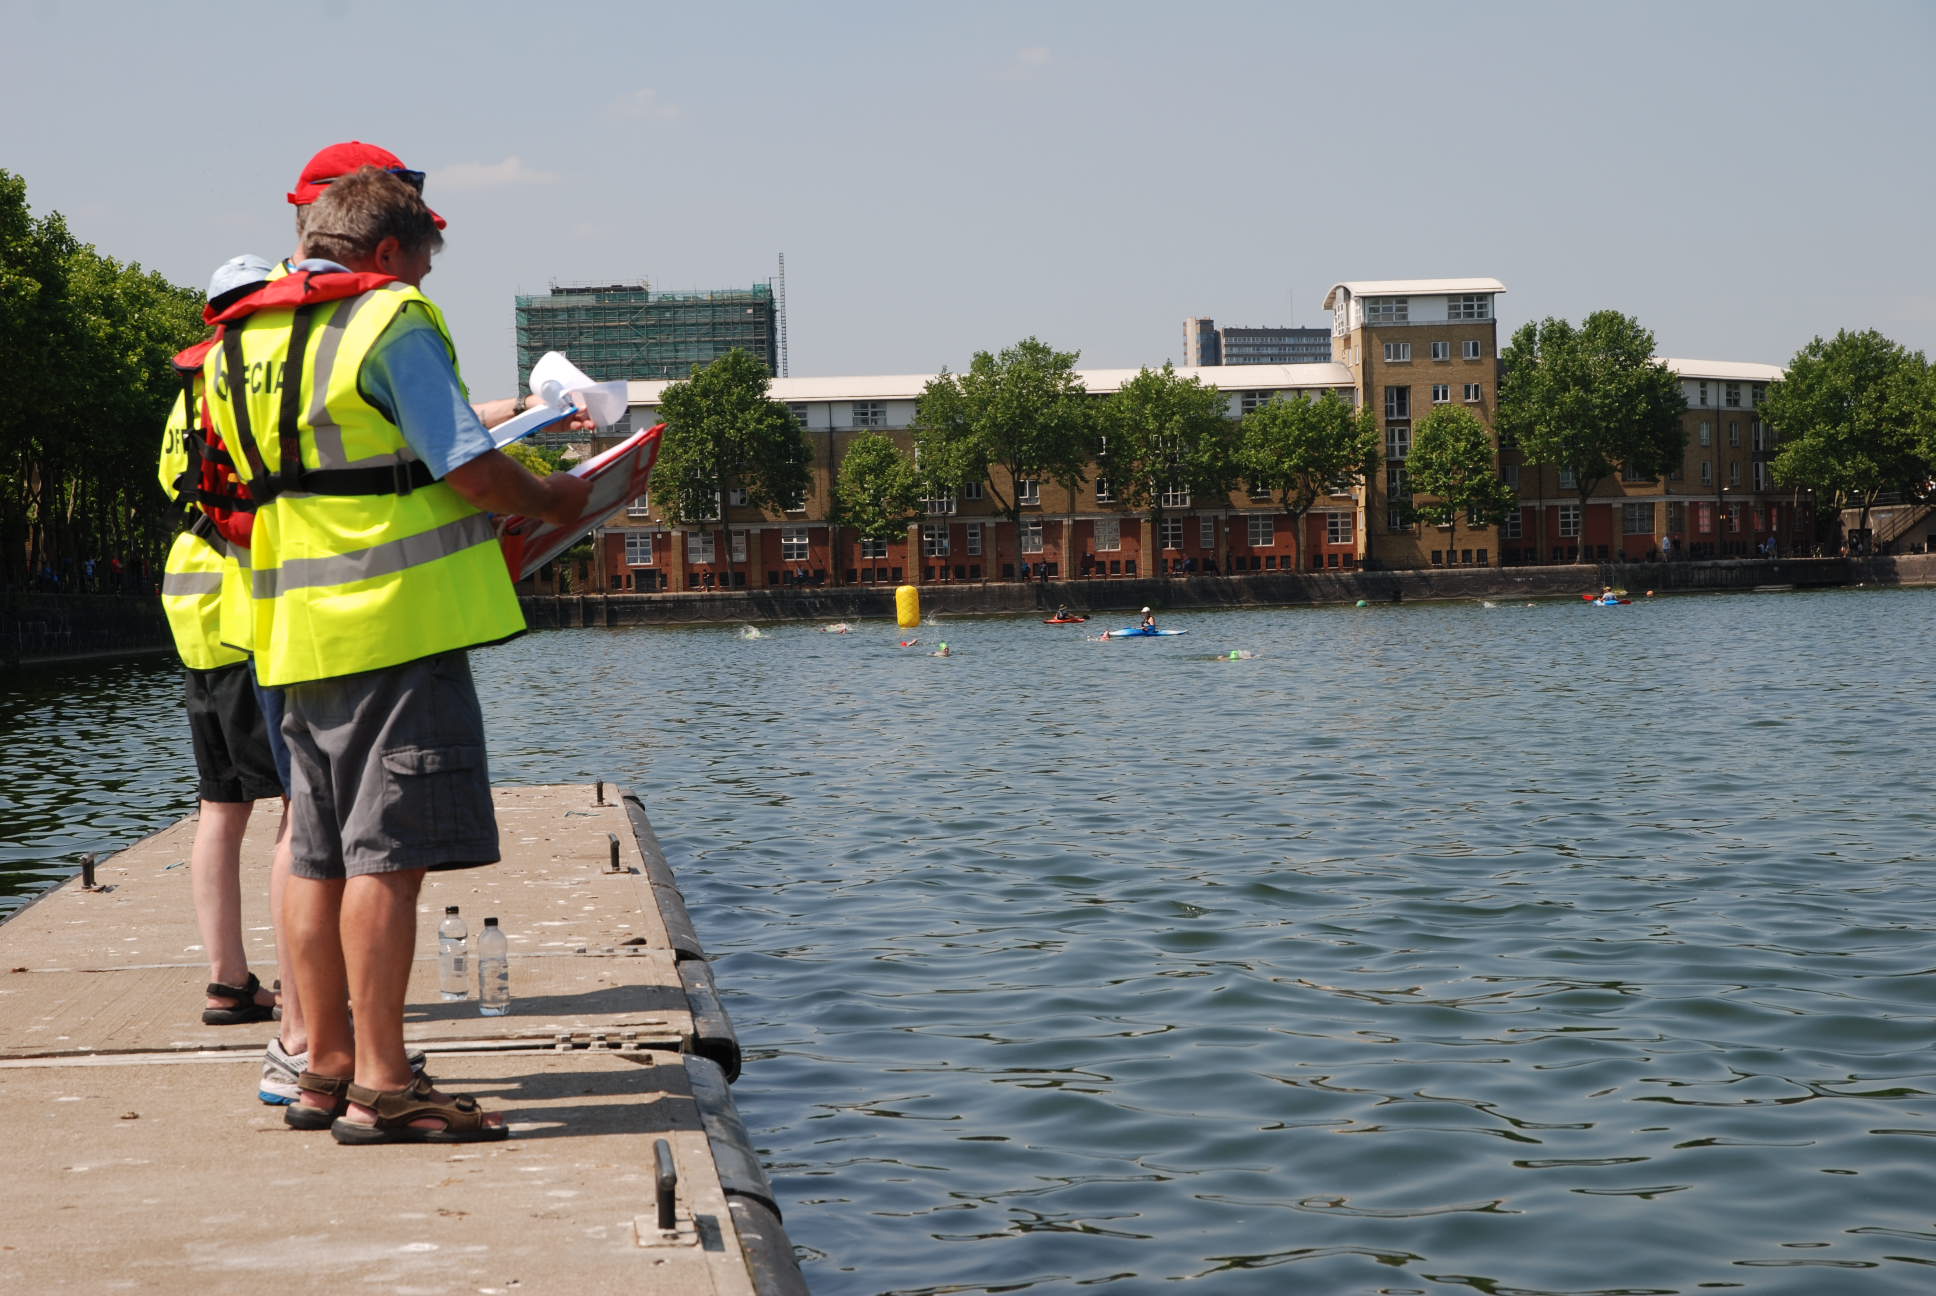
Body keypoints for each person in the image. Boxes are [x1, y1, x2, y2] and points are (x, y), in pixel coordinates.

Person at [206, 167, 591, 1143]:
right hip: (395, 624)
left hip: (291, 630)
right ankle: (384, 1083)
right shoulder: (391, 320)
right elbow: (465, 465)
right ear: (387, 254)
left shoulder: (236, 340)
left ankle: (320, 1064)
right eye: (421, 264)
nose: (423, 284)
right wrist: (553, 499)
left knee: (318, 854)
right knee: (389, 859)